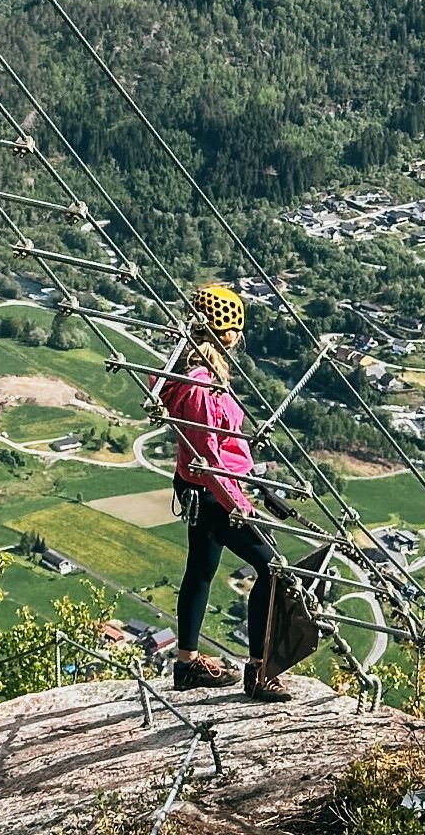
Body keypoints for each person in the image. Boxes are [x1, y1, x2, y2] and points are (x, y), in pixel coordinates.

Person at [158, 282, 292, 702]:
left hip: (204, 488)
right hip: (215, 493)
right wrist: (242, 506)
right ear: (226, 332)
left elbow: (218, 449)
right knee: (273, 569)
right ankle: (259, 670)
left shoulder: (186, 372)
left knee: (200, 571)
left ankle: (186, 665)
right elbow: (210, 457)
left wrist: (257, 480)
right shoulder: (202, 386)